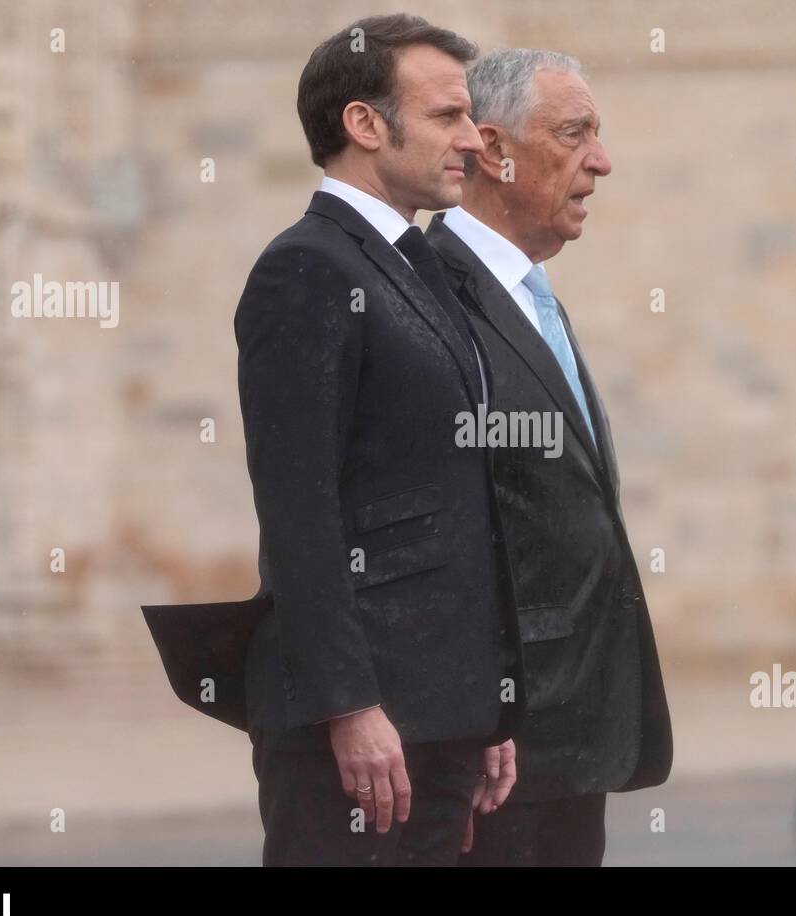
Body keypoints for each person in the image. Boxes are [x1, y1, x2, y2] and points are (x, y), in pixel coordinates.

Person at [237, 14, 523, 866]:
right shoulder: (307, 268)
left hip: (442, 716)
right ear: (364, 125)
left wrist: (488, 703)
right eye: (447, 117)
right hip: (362, 734)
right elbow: (299, 507)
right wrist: (349, 706)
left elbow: (461, 497)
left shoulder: (417, 266)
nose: (473, 140)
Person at [426, 49, 673, 867]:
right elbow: (431, 527)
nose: (601, 161)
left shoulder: (530, 295)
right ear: (493, 151)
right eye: (575, 135)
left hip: (569, 739)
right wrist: (464, 724)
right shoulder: (428, 300)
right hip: (495, 752)